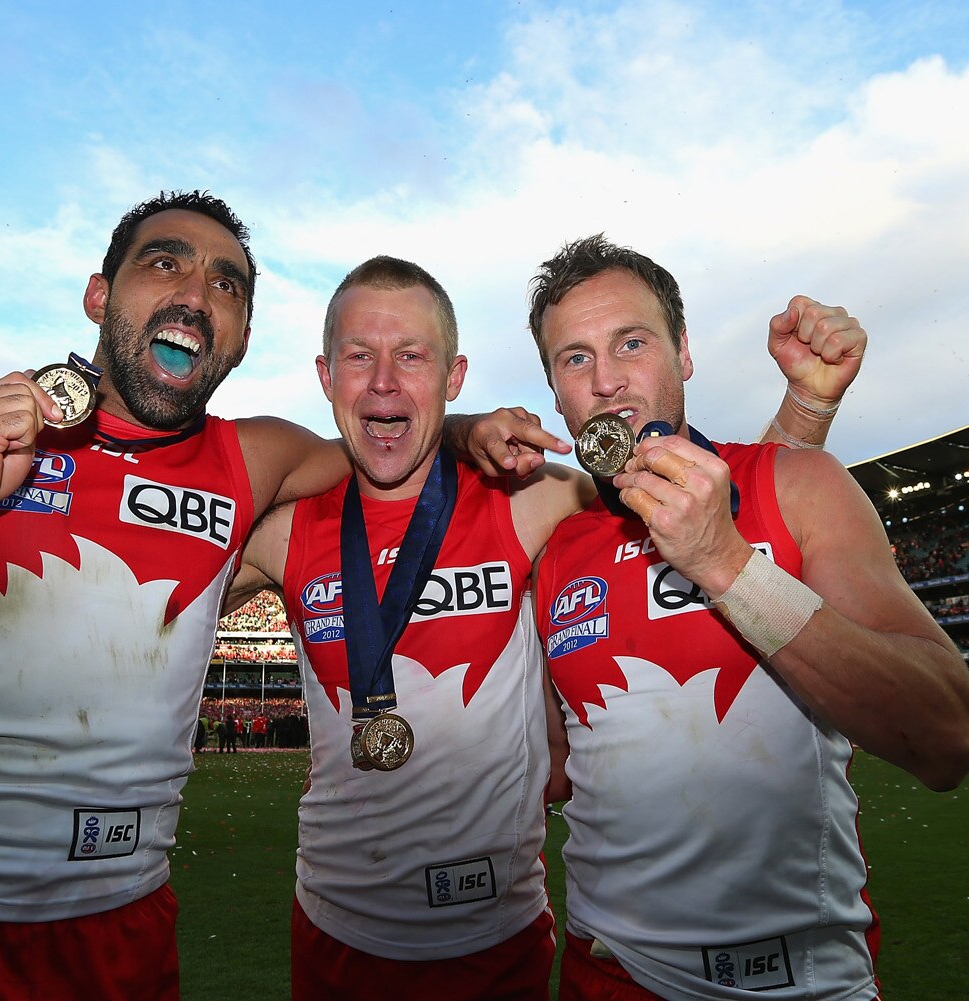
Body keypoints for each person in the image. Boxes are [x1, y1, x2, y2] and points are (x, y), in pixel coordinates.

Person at [0, 191, 512, 1001]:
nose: (195, 295)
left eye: (226, 286)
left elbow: (386, 432)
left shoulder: (257, 458)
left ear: (242, 339)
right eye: (164, 263)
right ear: (98, 294)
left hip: (118, 932)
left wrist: (463, 424)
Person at [228, 255, 865, 1000]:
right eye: (359, 357)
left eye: (413, 358)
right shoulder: (280, 533)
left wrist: (804, 415)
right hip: (336, 932)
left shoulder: (535, 497)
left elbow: (719, 510)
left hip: (499, 941)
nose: (384, 381)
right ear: (325, 374)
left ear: (453, 374)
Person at [526, 236, 969, 1000]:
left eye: (630, 342)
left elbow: (946, 739)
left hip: (800, 984)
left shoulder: (801, 482)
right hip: (607, 977)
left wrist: (724, 564)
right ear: (556, 391)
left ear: (685, 354)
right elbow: (559, 766)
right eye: (574, 359)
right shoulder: (561, 549)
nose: (606, 380)